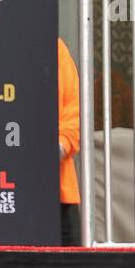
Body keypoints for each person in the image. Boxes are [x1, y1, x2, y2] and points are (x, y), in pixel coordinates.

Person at [58, 36, 81, 245]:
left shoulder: (55, 48)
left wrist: (62, 144)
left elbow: (75, 111)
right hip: (0, 194)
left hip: (59, 193)